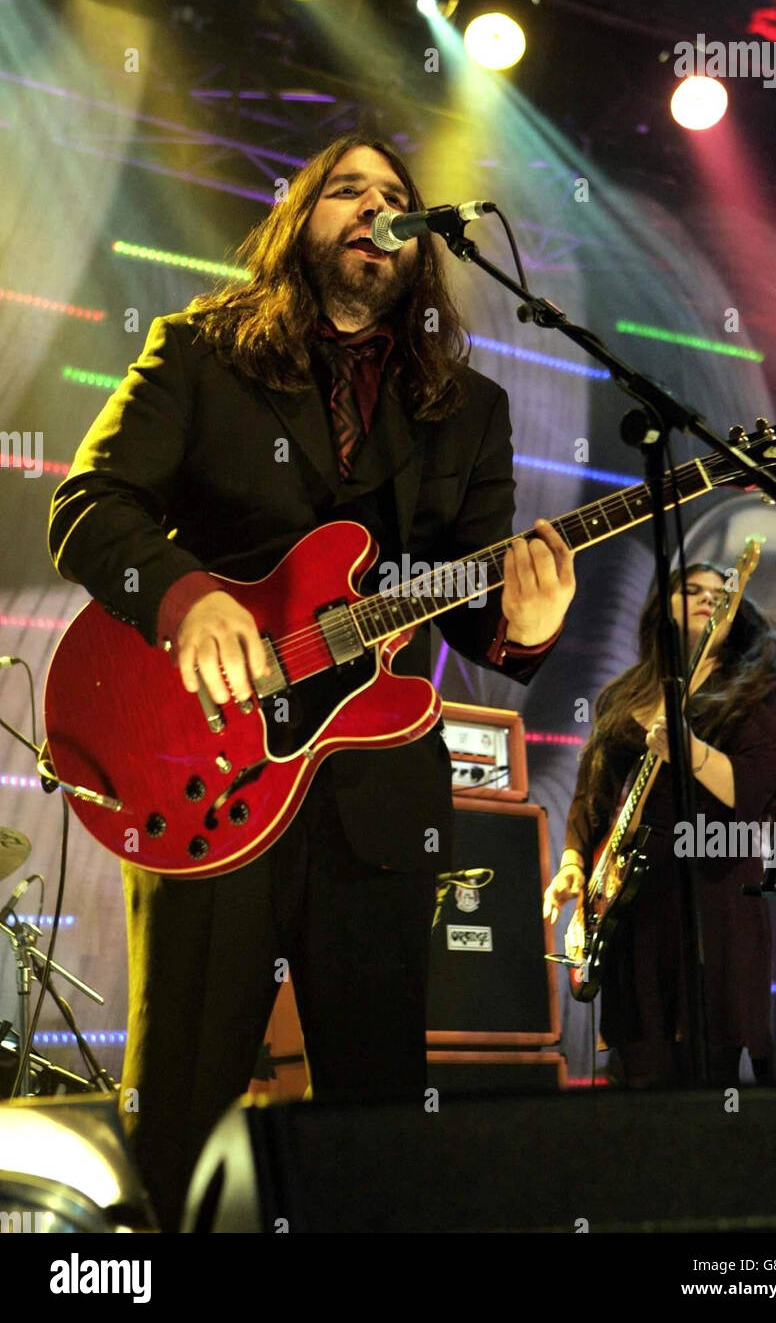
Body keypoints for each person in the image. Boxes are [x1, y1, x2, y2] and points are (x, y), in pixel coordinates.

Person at [47, 133, 576, 1229]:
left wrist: (525, 630)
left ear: (421, 245)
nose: (374, 209)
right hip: (204, 762)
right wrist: (186, 594)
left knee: (372, 1118)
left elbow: (476, 609)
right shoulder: (200, 351)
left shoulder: (462, 410)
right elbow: (89, 502)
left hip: (374, 795)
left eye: (395, 197)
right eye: (348, 189)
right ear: (302, 220)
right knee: (184, 1090)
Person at [543, 563, 776, 1089]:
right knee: (638, 1071)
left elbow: (751, 787)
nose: (704, 598)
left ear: (736, 610)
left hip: (711, 899)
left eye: (719, 592)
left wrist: (689, 753)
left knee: (704, 1074)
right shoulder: (625, 694)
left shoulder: (751, 692)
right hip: (632, 903)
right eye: (689, 589)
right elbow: (591, 791)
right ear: (661, 608)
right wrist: (573, 862)